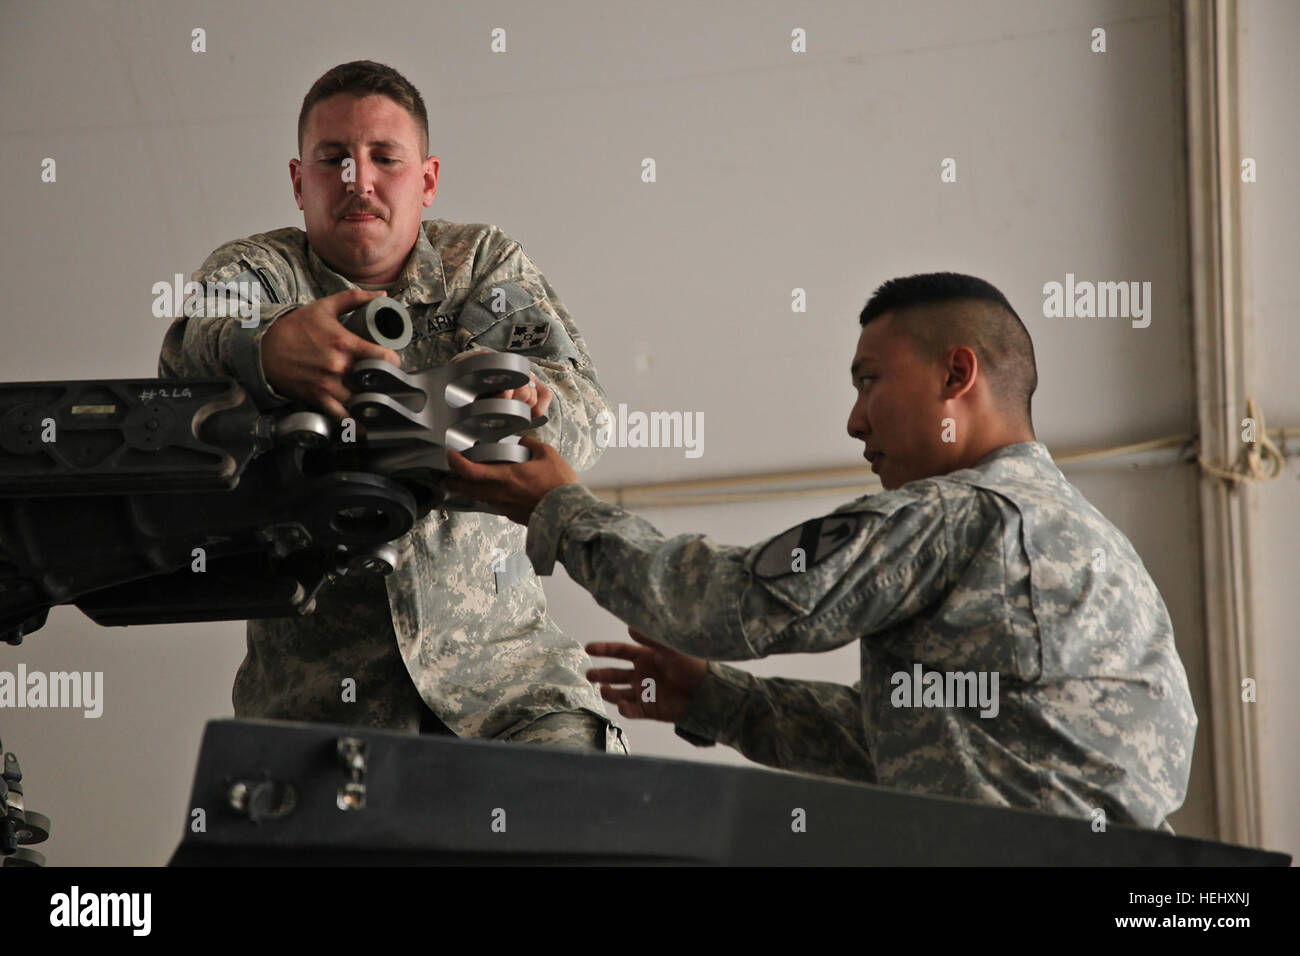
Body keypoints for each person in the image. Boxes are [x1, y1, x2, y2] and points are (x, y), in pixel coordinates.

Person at [444, 272, 1198, 830]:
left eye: (870, 381)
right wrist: (719, 699)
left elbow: (728, 604)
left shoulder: (960, 517)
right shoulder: (1095, 546)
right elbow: (926, 744)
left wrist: (562, 511)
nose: (854, 421)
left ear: (956, 374)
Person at [158, 60, 625, 753]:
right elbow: (182, 358)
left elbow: (581, 416)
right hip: (317, 718)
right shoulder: (258, 272)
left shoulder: (482, 264)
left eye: (384, 158)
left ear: (428, 180)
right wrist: (270, 349)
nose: (358, 181)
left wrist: (511, 419)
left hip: (512, 699)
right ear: (298, 181)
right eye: (333, 158)